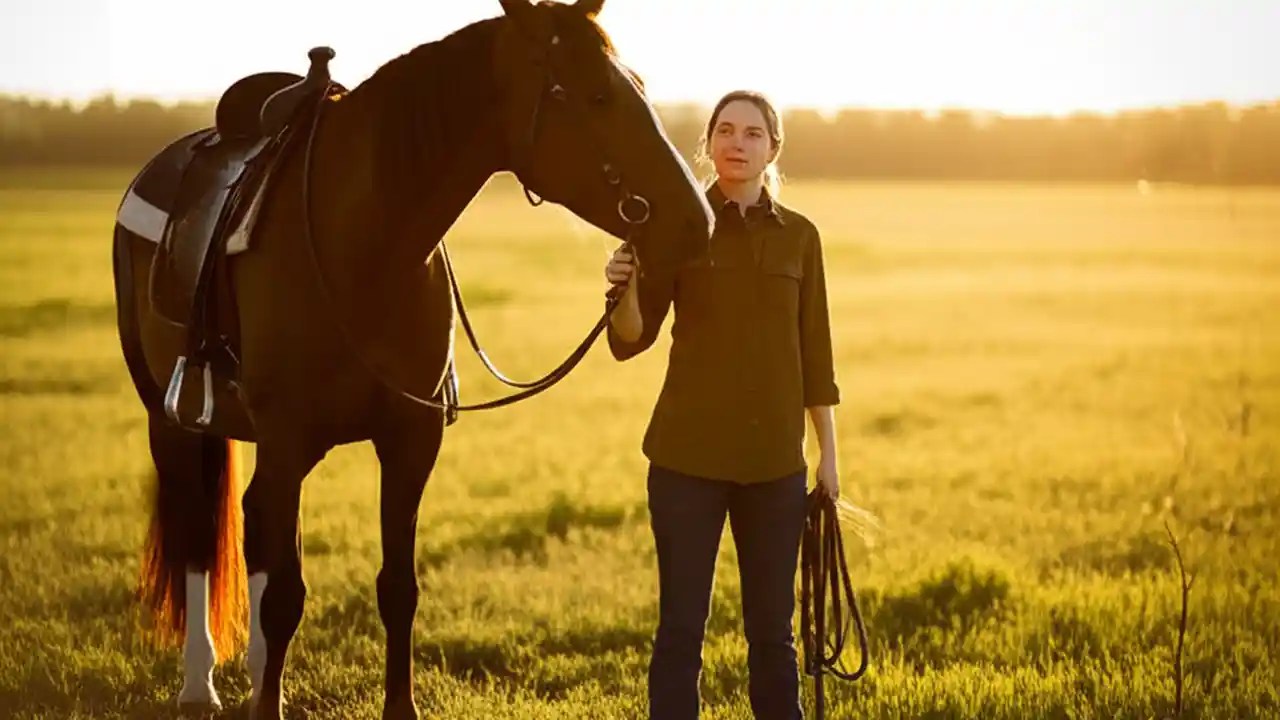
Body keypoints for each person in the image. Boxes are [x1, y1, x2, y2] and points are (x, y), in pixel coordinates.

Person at [605, 89, 841, 720]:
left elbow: (815, 352)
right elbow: (631, 339)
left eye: (753, 134)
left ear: (773, 148)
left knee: (774, 637)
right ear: (708, 144)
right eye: (726, 131)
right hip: (686, 462)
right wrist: (623, 286)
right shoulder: (678, 228)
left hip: (774, 469)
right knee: (680, 631)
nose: (738, 143)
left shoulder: (801, 238)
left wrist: (829, 458)